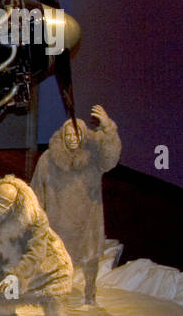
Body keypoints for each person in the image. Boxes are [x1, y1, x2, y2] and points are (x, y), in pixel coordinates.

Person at [31, 105, 121, 304]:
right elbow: (37, 190)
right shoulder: (48, 159)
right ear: (62, 136)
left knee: (90, 259)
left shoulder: (94, 158)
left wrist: (108, 128)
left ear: (83, 137)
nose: (72, 139)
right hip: (58, 221)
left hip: (87, 222)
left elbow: (111, 158)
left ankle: (90, 292)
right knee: (56, 260)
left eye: (76, 135)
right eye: (68, 135)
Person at [0, 175, 74, 316]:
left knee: (56, 310)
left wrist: (17, 275)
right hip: (12, 268)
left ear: (14, 205)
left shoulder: (34, 218)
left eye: (3, 204)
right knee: (0, 303)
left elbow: (37, 251)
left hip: (51, 269)